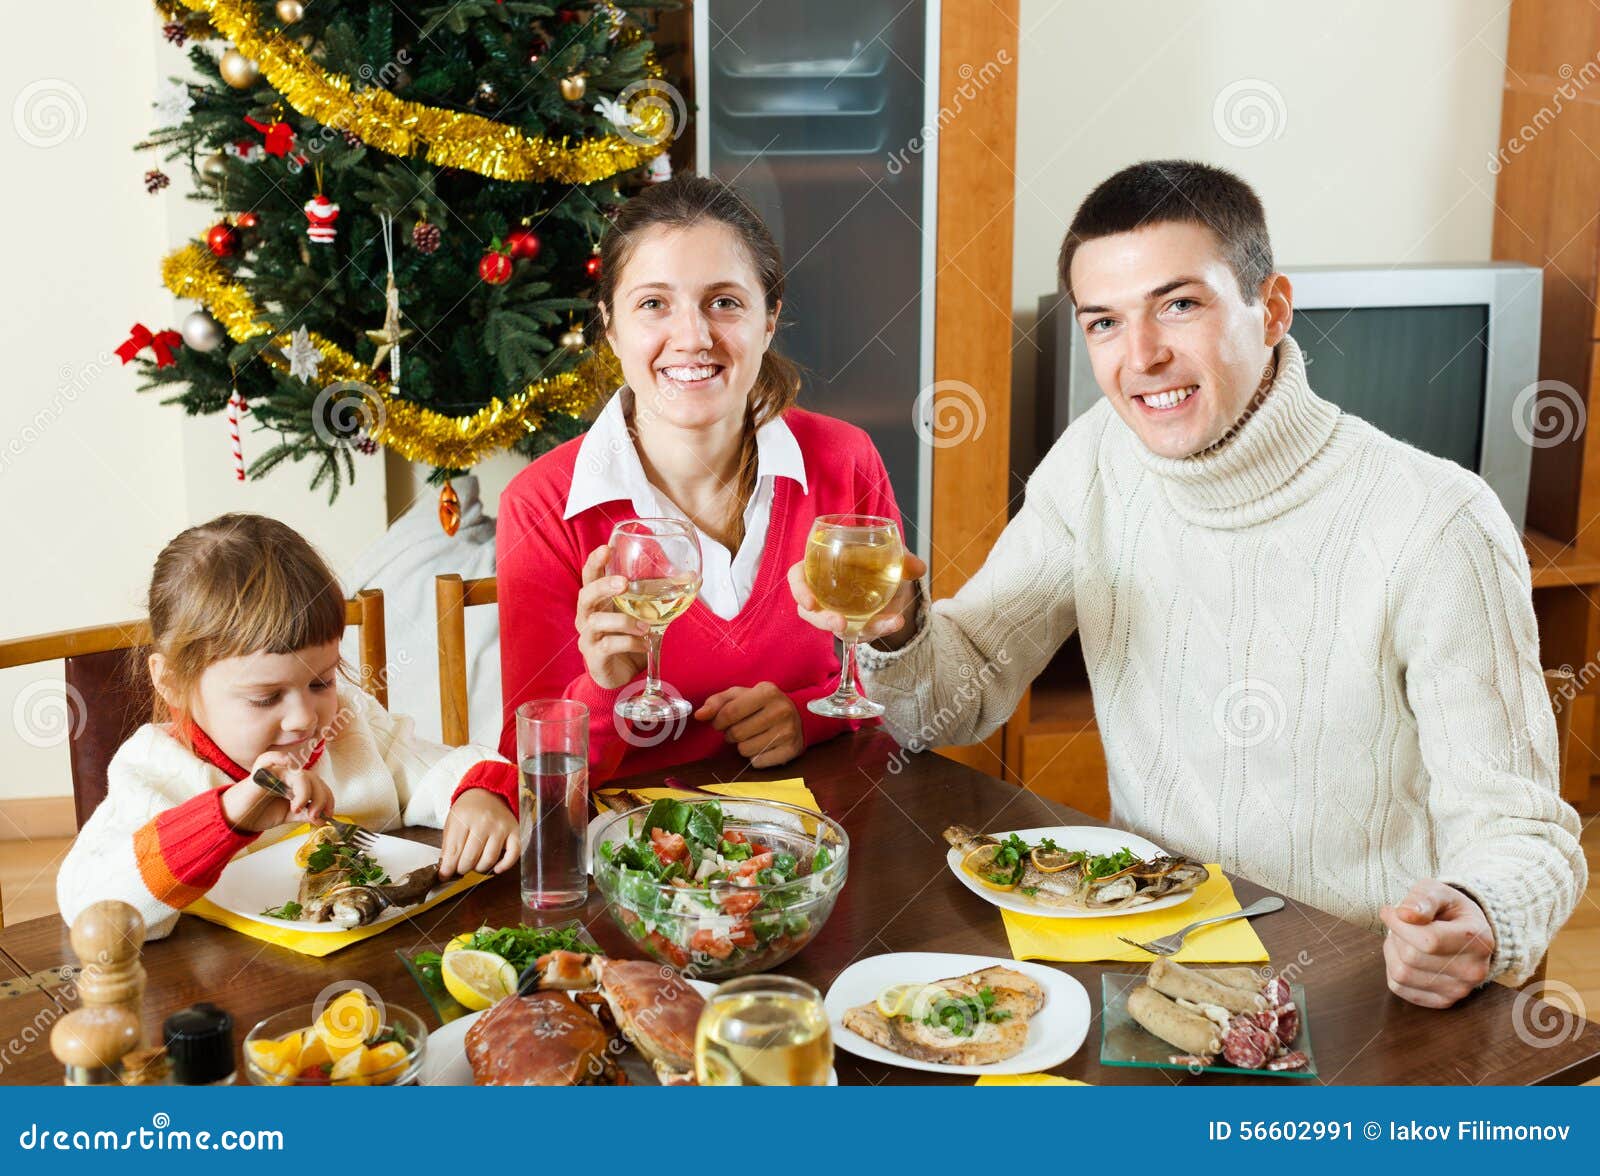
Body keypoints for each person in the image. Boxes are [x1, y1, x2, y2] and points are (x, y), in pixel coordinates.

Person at [790, 159, 1586, 1006]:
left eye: (1179, 304)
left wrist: (1480, 912)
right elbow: (955, 701)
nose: (1141, 357)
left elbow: (1522, 831)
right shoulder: (1098, 457)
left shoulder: (1439, 522)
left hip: (1356, 986)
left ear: (1271, 308)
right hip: (1158, 962)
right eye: (1103, 322)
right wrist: (900, 628)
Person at [497, 175, 902, 781]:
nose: (692, 338)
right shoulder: (541, 505)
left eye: (725, 302)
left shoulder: (845, 460)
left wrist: (810, 718)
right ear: (610, 326)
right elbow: (533, 765)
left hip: (815, 842)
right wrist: (606, 688)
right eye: (654, 304)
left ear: (769, 320)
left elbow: (890, 686)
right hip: (632, 852)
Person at [57, 514, 520, 938]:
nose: (304, 717)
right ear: (174, 683)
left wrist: (478, 795)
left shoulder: (348, 723)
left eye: (321, 681)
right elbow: (93, 910)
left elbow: (442, 769)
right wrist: (230, 816)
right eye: (266, 697)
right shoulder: (153, 772)